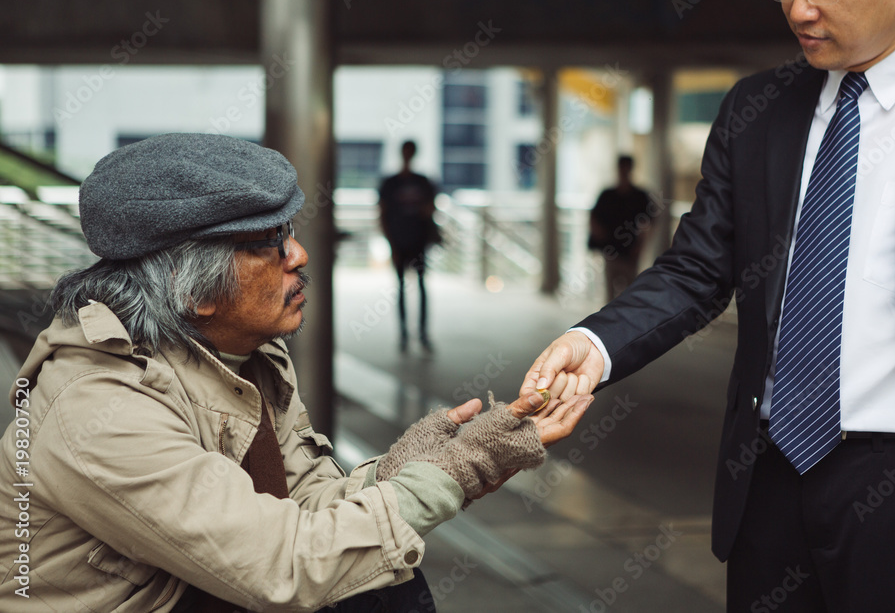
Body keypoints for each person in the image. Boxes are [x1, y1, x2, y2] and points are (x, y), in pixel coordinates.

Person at [520, 0, 895, 611]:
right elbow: (696, 270)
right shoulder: (758, 108)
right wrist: (595, 345)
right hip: (768, 482)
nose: (800, 8)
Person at [0, 133, 593, 612]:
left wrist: (406, 468)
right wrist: (453, 474)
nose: (298, 255)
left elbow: (299, 505)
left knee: (377, 579)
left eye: (289, 232)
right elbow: (284, 568)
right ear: (195, 289)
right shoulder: (99, 406)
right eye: (268, 242)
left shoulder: (240, 353)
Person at [378, 140, 439, 353]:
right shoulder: (391, 183)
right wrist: (390, 242)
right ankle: (404, 333)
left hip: (418, 241)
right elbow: (382, 214)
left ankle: (421, 333)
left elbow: (431, 210)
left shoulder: (423, 182)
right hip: (400, 242)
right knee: (402, 286)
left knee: (420, 286)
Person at [589, 155, 654, 300]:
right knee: (610, 294)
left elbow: (648, 224)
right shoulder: (608, 195)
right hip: (611, 250)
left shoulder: (639, 196)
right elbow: (593, 216)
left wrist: (640, 246)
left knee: (629, 294)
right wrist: (599, 236)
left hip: (630, 252)